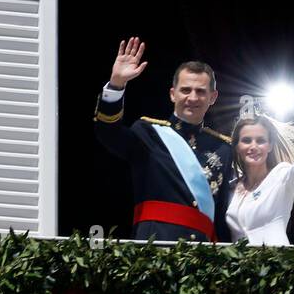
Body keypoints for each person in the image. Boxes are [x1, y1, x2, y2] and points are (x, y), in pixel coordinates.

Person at [93, 37, 235, 243]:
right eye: (185, 90)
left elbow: (223, 214)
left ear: (212, 98)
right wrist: (116, 84)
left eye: (200, 92)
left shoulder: (224, 148)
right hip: (155, 246)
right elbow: (108, 133)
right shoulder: (148, 133)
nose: (192, 98)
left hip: (203, 256)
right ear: (172, 94)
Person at [225, 80, 294, 246]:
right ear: (237, 146)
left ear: (270, 146)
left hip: (276, 267)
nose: (253, 146)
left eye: (260, 141)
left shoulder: (281, 175)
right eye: (246, 140)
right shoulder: (231, 187)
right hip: (239, 269)